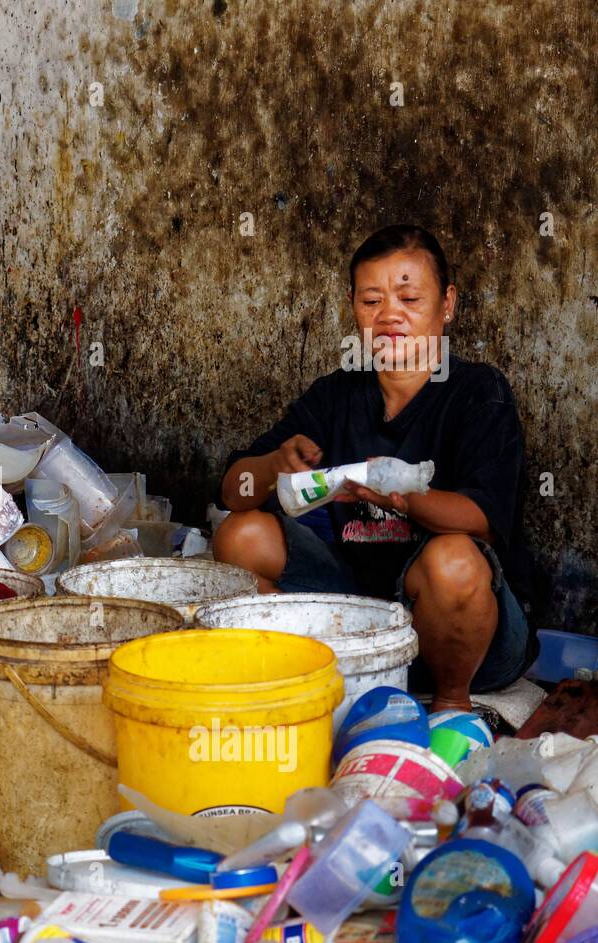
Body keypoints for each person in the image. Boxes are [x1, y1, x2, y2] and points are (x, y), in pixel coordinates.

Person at [214, 225, 534, 713]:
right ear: (352, 307)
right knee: (240, 536)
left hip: (470, 640)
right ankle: (317, 675)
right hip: (361, 619)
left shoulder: (478, 393)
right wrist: (276, 464)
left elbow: (482, 520)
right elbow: (233, 491)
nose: (390, 317)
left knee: (454, 559)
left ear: (447, 304)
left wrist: (399, 495)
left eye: (409, 298)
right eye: (371, 302)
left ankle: (450, 706)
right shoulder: (336, 395)